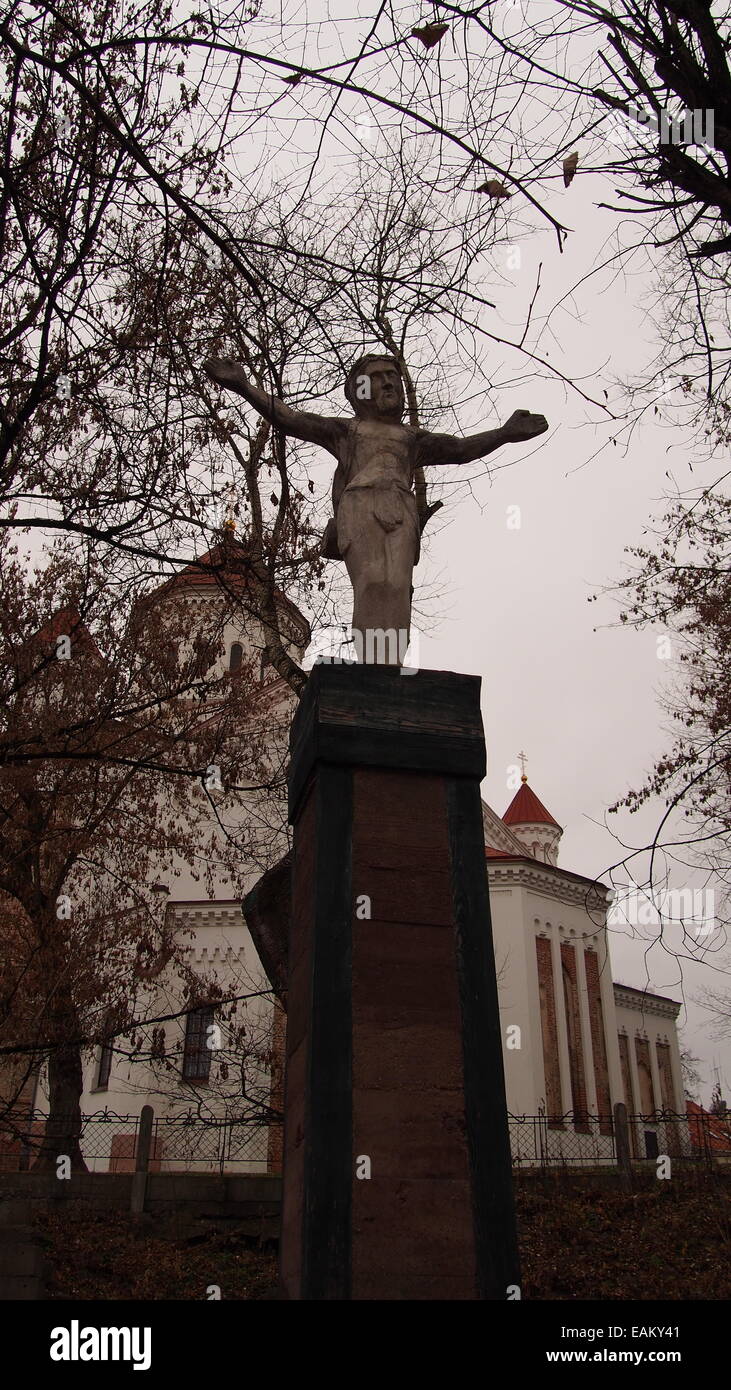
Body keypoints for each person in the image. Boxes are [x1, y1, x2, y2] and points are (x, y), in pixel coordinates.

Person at [204, 353, 548, 662]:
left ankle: (391, 666)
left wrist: (504, 433)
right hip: (360, 504)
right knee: (371, 581)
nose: (387, 382)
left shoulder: (412, 439)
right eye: (377, 377)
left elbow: (459, 449)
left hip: (401, 506)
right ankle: (372, 665)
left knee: (398, 585)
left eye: (392, 377)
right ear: (357, 391)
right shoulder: (346, 430)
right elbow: (291, 419)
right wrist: (245, 386)